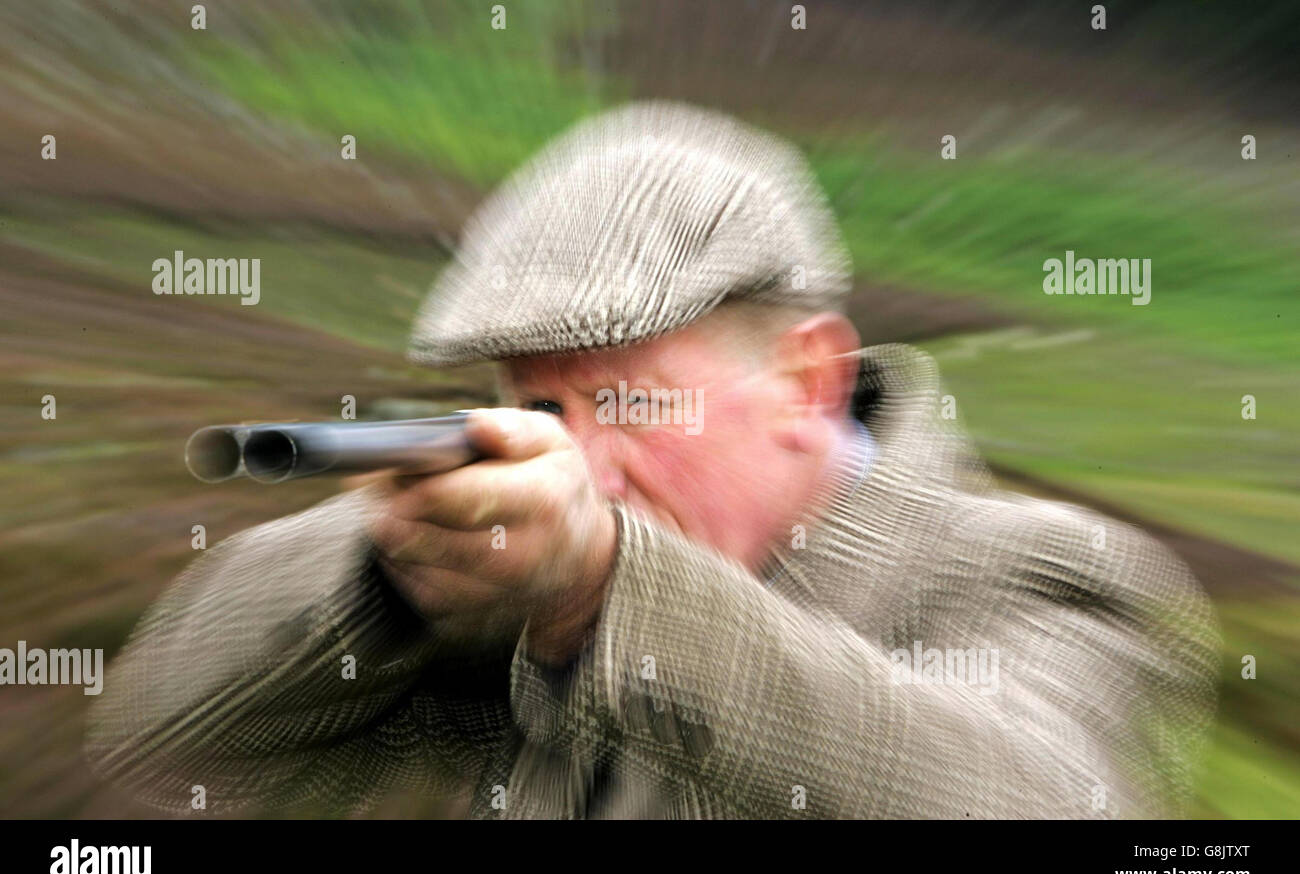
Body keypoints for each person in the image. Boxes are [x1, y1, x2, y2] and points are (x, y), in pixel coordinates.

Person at [86, 102, 1218, 819]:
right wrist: (391, 575)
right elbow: (159, 740)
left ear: (806, 382)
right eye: (539, 406)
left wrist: (605, 589)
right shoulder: (505, 605)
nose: (586, 459)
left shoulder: (1055, 577)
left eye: (625, 401)